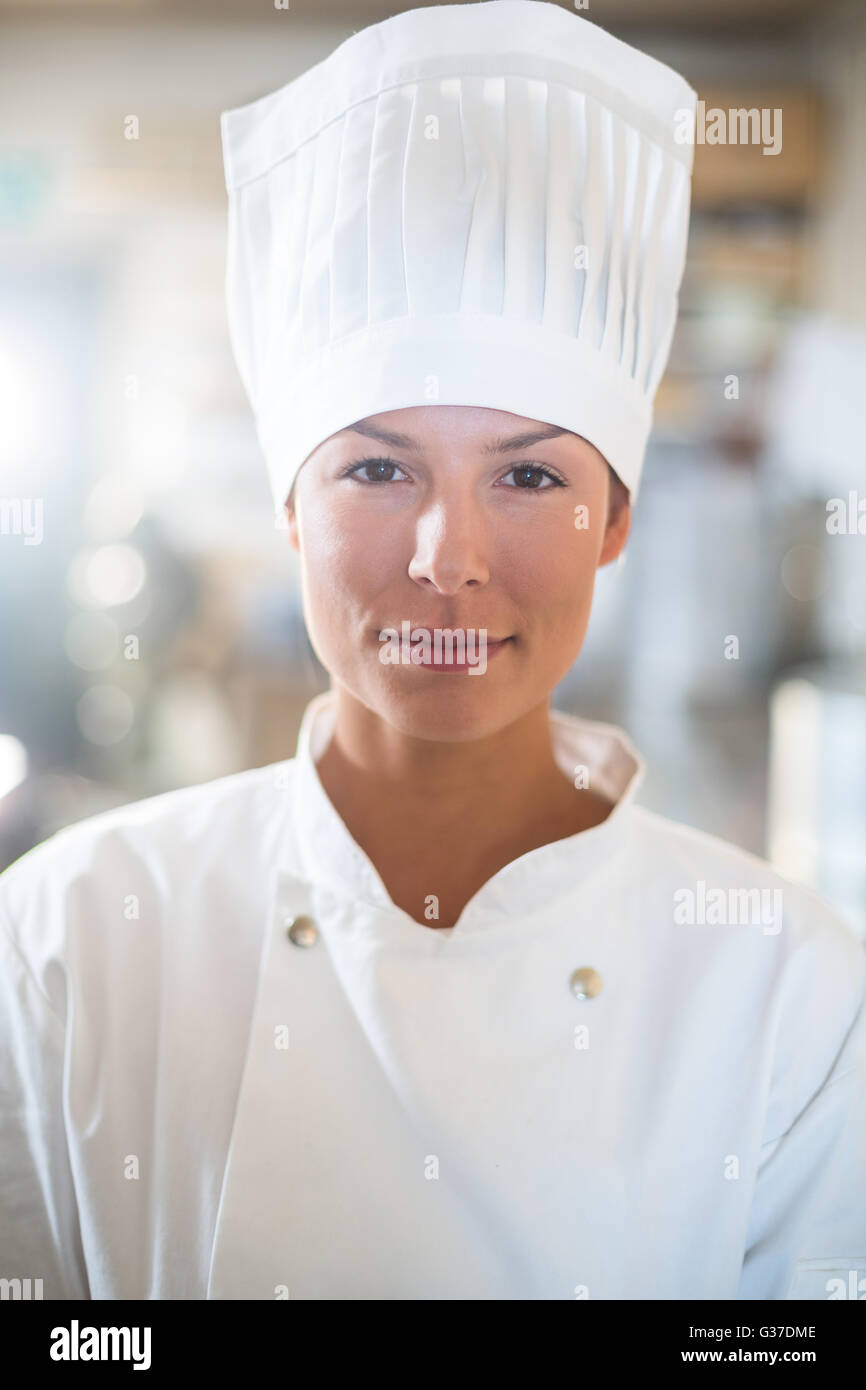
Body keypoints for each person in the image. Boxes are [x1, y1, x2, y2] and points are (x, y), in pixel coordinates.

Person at [2, 0, 864, 1302]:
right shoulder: (68, 934)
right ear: (288, 506)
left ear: (615, 516)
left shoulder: (783, 986)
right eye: (375, 467)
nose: (444, 554)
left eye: (525, 473)